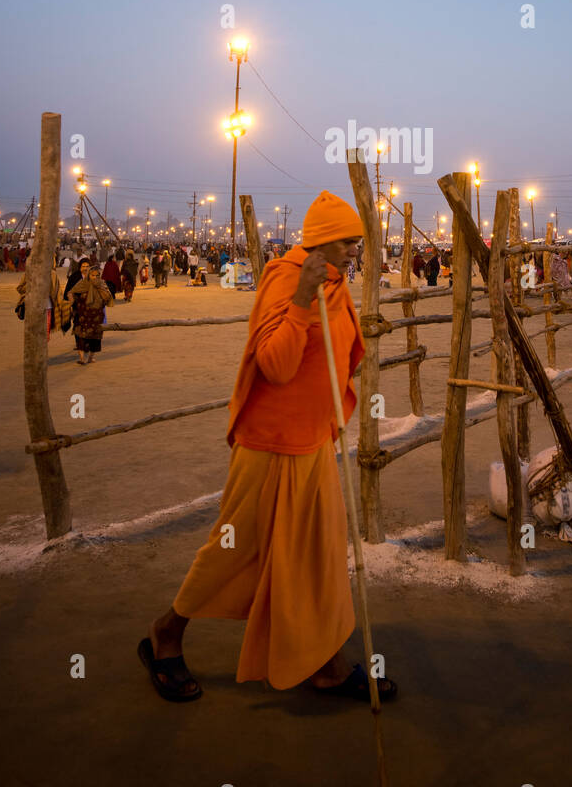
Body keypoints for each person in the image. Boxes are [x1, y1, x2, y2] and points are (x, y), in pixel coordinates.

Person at [140, 190, 397, 704]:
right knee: (235, 549)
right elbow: (276, 367)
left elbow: (341, 356)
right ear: (324, 241)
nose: (354, 251)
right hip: (268, 443)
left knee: (316, 555)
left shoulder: (337, 283)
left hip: (313, 441)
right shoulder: (287, 278)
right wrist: (303, 301)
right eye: (348, 242)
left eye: (356, 242)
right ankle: (165, 634)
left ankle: (324, 664)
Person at [68, 265, 112, 365]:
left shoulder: (102, 284)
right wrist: (72, 303)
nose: (95, 278)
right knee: (81, 337)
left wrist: (100, 289)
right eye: (93, 275)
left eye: (97, 275)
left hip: (96, 317)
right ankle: (82, 358)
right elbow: (71, 292)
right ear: (89, 275)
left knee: (95, 338)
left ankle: (91, 358)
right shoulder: (82, 284)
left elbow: (108, 298)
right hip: (82, 316)